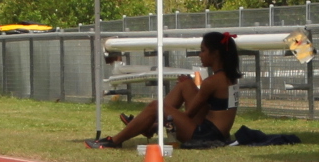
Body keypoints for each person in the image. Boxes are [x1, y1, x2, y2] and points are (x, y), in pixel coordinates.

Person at [93, 31, 241, 149]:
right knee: (186, 85)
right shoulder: (228, 78)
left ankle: (117, 140)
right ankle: (149, 125)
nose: (199, 54)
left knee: (157, 106)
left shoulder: (212, 82)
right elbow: (211, 107)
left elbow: (189, 114)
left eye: (203, 50)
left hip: (207, 136)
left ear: (215, 54)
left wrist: (163, 120)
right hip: (217, 131)